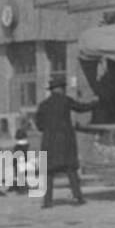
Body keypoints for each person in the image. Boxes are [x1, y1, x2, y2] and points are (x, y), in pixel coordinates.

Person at [36, 73, 97, 208]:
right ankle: (78, 198)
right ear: (61, 88)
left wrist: (48, 130)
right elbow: (81, 108)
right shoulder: (66, 101)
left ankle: (47, 202)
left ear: (51, 90)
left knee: (49, 173)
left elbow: (39, 125)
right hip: (65, 141)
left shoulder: (43, 105)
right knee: (71, 170)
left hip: (49, 142)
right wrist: (94, 103)